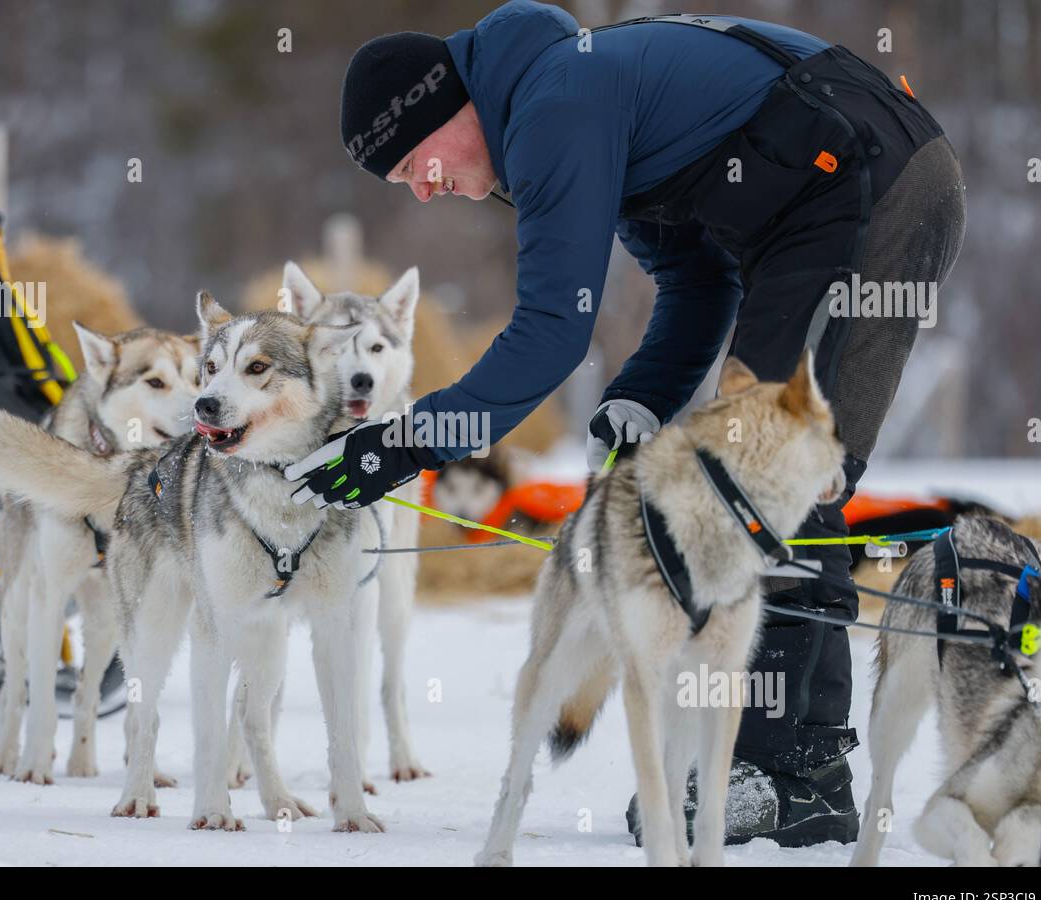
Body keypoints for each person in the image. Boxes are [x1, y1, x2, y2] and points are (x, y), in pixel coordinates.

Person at [285, 1, 965, 847]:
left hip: (873, 182)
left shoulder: (553, 106)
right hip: (821, 198)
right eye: (402, 184)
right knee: (738, 468)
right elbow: (697, 284)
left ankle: (800, 776)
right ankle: (762, 764)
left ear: (445, 108)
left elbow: (552, 331)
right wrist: (639, 395)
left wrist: (405, 441)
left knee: (774, 464)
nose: (424, 187)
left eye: (415, 162)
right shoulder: (564, 94)